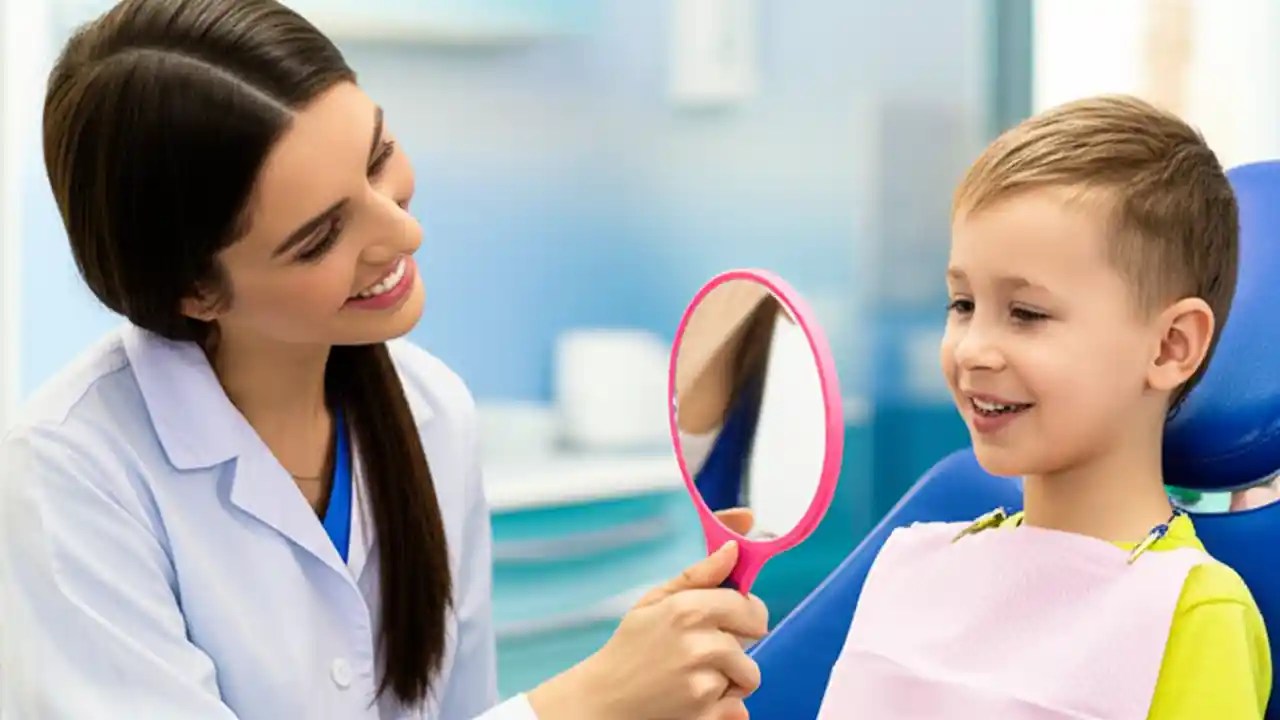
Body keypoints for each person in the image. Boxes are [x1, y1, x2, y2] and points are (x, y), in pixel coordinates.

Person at [0, 1, 768, 718]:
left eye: (378, 158)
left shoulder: (435, 413)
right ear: (197, 291)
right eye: (321, 236)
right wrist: (579, 705)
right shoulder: (71, 475)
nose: (404, 235)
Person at [818, 96, 1271, 718]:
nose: (973, 349)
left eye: (1027, 313)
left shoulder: (1187, 613)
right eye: (962, 305)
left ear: (1169, 346)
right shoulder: (915, 564)